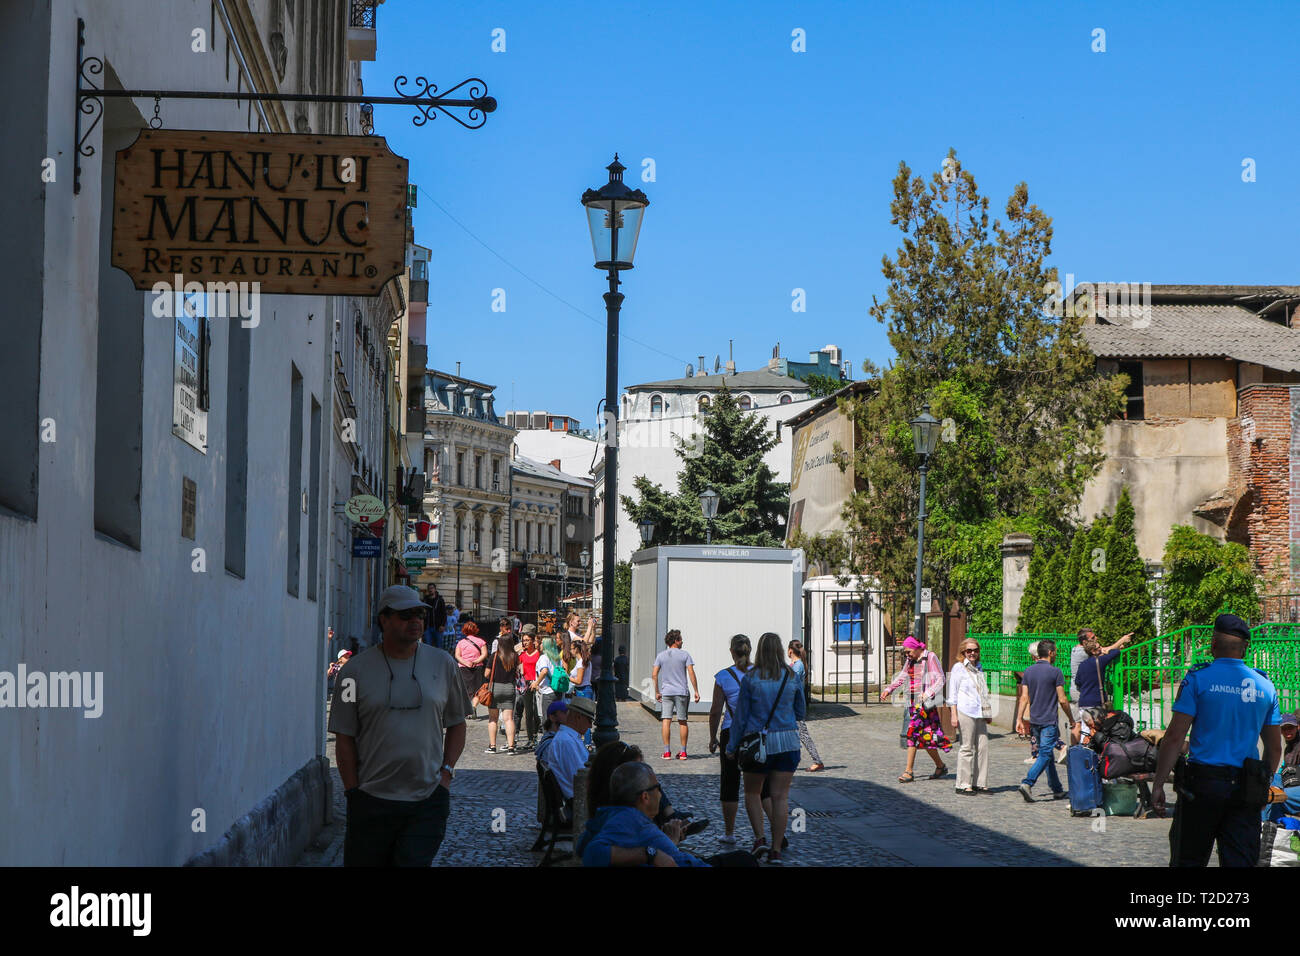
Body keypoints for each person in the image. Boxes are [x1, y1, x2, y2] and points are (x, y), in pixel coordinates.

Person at [328, 585, 468, 866]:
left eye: (419, 614)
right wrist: (353, 791)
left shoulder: (443, 664)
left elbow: (457, 722)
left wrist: (447, 775)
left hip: (427, 799)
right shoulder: (353, 673)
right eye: (405, 615)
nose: (415, 620)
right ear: (384, 619)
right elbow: (344, 736)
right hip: (371, 799)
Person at [1151, 613, 1282, 867]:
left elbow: (1175, 736)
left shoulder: (1198, 679)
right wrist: (1262, 781)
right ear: (1245, 647)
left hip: (1202, 784)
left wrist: (1158, 783)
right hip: (1245, 786)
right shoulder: (1265, 686)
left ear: (1212, 645)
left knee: (1188, 859)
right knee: (1240, 861)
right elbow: (1274, 748)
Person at [577, 763, 756, 868]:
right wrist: (650, 853)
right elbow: (592, 853)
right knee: (745, 860)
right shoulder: (636, 824)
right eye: (657, 788)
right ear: (645, 796)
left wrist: (669, 842)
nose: (661, 795)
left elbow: (582, 847)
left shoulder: (608, 816)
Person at [727, 632, 804, 864]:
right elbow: (801, 711)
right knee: (780, 797)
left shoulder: (751, 678)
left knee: (752, 793)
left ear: (759, 651)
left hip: (758, 743)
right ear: (781, 650)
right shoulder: (791, 676)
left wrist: (731, 746)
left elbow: (740, 717)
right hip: (788, 742)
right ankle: (776, 849)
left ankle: (759, 838)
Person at [587, 741, 707, 836]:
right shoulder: (625, 822)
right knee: (650, 786)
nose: (659, 794)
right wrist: (670, 840)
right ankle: (671, 816)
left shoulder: (609, 816)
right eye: (637, 768)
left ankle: (671, 815)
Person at [709, 634, 758, 844]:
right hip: (756, 733)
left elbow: (715, 711)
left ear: (731, 651)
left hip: (731, 733)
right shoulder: (760, 673)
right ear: (749, 651)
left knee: (729, 782)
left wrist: (712, 737)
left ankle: (729, 833)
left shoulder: (723, 676)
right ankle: (763, 835)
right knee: (759, 786)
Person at [880, 635, 950, 782]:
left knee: (911, 733)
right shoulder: (910, 660)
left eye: (908, 651)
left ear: (917, 648)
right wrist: (889, 689)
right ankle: (940, 766)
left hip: (925, 704)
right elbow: (902, 676)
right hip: (913, 702)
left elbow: (941, 678)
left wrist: (928, 693)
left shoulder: (930, 657)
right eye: (905, 652)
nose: (907, 654)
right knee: (926, 737)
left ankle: (908, 771)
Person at [1015, 639, 1077, 802]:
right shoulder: (1055, 672)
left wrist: (1019, 719)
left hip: (1034, 720)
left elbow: (1024, 698)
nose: (1056, 654)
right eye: (1055, 651)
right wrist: (1071, 718)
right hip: (1049, 720)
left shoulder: (1028, 671)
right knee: (1044, 754)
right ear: (1050, 653)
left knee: (1047, 755)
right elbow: (1062, 699)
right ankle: (1027, 783)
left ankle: (1057, 789)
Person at [948, 638, 992, 795]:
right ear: (963, 653)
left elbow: (983, 691)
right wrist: (953, 714)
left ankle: (980, 783)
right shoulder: (958, 668)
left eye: (975, 650)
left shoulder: (979, 667)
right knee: (966, 747)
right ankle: (963, 783)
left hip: (980, 711)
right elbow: (952, 693)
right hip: (965, 710)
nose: (972, 653)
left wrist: (988, 711)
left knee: (983, 747)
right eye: (969, 651)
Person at [1071, 631, 1137, 734]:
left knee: (1085, 730)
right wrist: (1118, 646)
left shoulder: (1082, 664)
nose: (1101, 649)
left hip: (1083, 702)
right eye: (1099, 648)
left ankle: (1084, 748)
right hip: (1096, 702)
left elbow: (1078, 682)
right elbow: (1114, 653)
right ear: (1093, 651)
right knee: (1099, 729)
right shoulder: (1100, 661)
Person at [537, 694, 595, 801]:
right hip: (577, 800)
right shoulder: (566, 741)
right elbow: (580, 778)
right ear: (578, 717)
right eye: (589, 721)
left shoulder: (569, 738)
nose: (590, 726)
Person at [653, 629, 700, 760]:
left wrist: (657, 691)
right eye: (680, 639)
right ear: (676, 641)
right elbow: (691, 673)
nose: (682, 641)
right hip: (681, 692)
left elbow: (654, 674)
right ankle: (683, 752)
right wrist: (696, 690)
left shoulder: (661, 656)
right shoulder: (685, 655)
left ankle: (667, 752)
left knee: (666, 720)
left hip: (666, 692)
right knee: (682, 721)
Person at [786, 640, 825, 772]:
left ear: (790, 650)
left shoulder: (798, 666)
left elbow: (791, 685)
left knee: (803, 734)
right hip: (791, 705)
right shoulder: (794, 665)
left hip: (795, 705)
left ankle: (817, 760)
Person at [484, 636, 519, 755]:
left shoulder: (494, 656)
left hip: (495, 688)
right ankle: (510, 747)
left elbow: (487, 674)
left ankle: (493, 746)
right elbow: (520, 672)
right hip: (509, 687)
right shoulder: (515, 656)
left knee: (493, 719)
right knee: (509, 719)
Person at [454, 622, 487, 720]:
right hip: (477, 667)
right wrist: (476, 661)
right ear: (475, 630)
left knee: (465, 689)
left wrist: (465, 662)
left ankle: (467, 710)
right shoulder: (481, 641)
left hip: (463, 668)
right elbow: (484, 654)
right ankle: (473, 707)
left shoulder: (460, 643)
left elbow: (457, 655)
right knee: (477, 690)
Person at [517, 629, 542, 749]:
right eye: (524, 640)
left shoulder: (539, 654)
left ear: (533, 641)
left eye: (527, 640)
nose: (525, 642)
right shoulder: (522, 655)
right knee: (528, 711)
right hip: (526, 685)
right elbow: (516, 666)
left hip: (537, 683)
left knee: (537, 712)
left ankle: (536, 735)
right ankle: (530, 738)